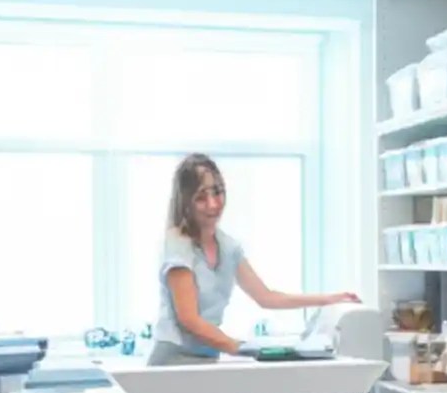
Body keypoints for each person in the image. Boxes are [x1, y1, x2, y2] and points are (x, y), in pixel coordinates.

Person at [148, 153, 359, 367]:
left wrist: (329, 300)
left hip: (206, 358)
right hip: (172, 358)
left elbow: (266, 297)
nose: (213, 204)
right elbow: (189, 319)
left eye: (218, 193)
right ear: (186, 202)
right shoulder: (178, 244)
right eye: (201, 197)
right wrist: (240, 347)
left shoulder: (229, 248)